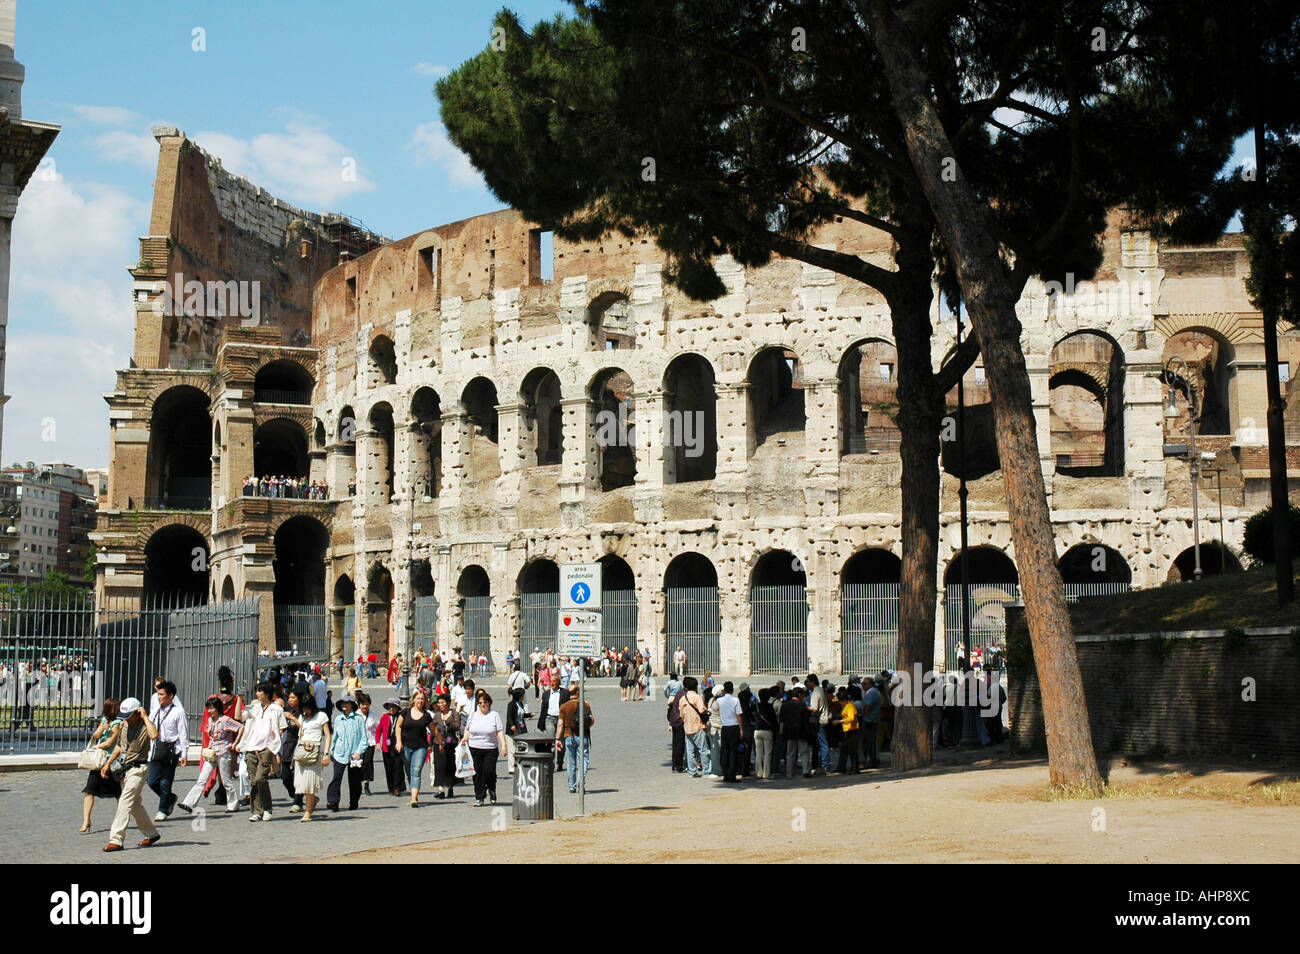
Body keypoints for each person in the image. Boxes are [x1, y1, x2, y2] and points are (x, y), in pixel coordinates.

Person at [100, 697, 162, 852]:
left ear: (138, 712)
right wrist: (108, 763)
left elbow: (154, 735)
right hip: (125, 769)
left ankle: (116, 839)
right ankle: (152, 833)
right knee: (135, 805)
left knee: (124, 801)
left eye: (130, 715)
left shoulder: (146, 725)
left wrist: (145, 717)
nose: (127, 718)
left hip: (139, 769)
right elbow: (120, 747)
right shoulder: (124, 725)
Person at [178, 697, 241, 814]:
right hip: (212, 753)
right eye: (209, 708)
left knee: (226, 780)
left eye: (212, 708)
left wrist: (235, 743)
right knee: (202, 779)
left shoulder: (225, 720)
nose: (210, 711)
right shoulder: (210, 721)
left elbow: (240, 727)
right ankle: (189, 803)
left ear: (217, 708)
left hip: (224, 753)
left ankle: (233, 804)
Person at [238, 681, 284, 822]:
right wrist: (240, 698)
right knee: (253, 781)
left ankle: (267, 808)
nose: (257, 694)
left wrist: (272, 748)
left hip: (266, 748)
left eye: (260, 691)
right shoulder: (255, 708)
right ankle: (257, 811)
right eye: (257, 691)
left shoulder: (277, 710)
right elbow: (239, 717)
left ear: (267, 693)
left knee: (260, 778)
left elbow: (281, 728)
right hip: (252, 747)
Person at [80, 699, 123, 833]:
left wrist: (96, 746)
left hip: (110, 760)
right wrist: (101, 728)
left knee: (118, 793)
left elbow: (111, 742)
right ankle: (86, 820)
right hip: (98, 761)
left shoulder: (118, 723)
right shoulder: (104, 720)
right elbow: (96, 736)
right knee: (89, 790)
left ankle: (121, 819)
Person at [147, 680, 188, 821]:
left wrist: (184, 753)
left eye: (162, 694)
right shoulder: (156, 710)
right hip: (156, 749)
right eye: (158, 694)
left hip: (171, 751)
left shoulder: (178, 712)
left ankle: (163, 810)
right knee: (151, 781)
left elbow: (183, 733)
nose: (159, 697)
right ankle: (169, 798)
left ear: (170, 696)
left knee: (165, 782)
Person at [290, 695, 331, 822]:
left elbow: (328, 736)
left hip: (314, 752)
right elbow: (300, 736)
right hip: (302, 751)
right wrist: (296, 757)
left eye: (308, 708)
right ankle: (312, 801)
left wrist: (326, 754)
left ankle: (308, 813)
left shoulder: (321, 716)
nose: (306, 711)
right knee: (300, 783)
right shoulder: (302, 717)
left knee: (310, 783)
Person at [460, 691, 506, 806]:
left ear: (489, 703)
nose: (482, 705)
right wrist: (465, 738)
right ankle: (479, 796)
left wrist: (504, 745)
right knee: (477, 773)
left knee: (489, 771)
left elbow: (499, 731)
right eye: (480, 703)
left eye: (484, 702)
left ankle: (491, 788)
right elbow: (468, 729)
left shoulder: (494, 715)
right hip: (475, 747)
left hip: (490, 748)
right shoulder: (473, 715)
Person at [327, 693, 369, 811]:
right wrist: (331, 752)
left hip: (353, 756)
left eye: (347, 703)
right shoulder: (338, 719)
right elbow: (335, 737)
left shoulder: (358, 719)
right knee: (336, 777)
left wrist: (358, 751)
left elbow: (364, 739)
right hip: (339, 753)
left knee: (354, 780)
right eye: (343, 703)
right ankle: (333, 801)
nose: (344, 705)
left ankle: (354, 802)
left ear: (351, 705)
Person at [394, 689, 434, 807]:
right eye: (418, 698)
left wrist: (439, 742)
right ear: (414, 700)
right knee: (409, 771)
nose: (420, 701)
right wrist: (398, 741)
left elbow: (434, 730)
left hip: (420, 747)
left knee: (416, 771)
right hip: (406, 746)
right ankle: (413, 789)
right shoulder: (405, 712)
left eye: (422, 699)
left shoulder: (426, 716)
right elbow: (398, 726)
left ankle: (414, 798)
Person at [678, 676, 712, 779]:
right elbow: (702, 710)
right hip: (698, 726)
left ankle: (692, 771)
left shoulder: (682, 699)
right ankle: (706, 771)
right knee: (703, 750)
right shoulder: (697, 697)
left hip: (687, 727)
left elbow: (681, 715)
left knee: (690, 751)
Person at [430, 694, 461, 799]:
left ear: (447, 703)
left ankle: (450, 788)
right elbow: (433, 730)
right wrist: (430, 744)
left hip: (451, 743)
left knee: (450, 766)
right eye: (439, 703)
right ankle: (441, 789)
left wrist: (448, 722)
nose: (440, 705)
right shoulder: (437, 715)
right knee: (439, 766)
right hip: (438, 744)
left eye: (442, 702)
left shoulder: (454, 714)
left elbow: (457, 726)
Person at [716, 681, 744, 783]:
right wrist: (741, 729)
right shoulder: (735, 700)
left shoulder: (719, 701)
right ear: (732, 689)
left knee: (725, 751)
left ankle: (725, 773)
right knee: (733, 752)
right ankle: (732, 774)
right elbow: (738, 715)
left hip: (725, 727)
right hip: (734, 726)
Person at [376, 697, 405, 796]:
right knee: (388, 768)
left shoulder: (401, 717)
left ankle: (397, 788)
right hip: (386, 746)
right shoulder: (384, 717)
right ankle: (391, 788)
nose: (392, 709)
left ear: (397, 708)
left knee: (397, 767)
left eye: (394, 707)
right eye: (390, 707)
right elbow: (378, 730)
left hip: (397, 744)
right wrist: (377, 742)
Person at [781, 686, 812, 779]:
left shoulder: (785, 705)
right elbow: (806, 718)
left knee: (790, 754)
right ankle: (806, 771)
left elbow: (782, 719)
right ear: (799, 695)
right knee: (804, 752)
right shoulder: (802, 705)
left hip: (789, 732)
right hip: (801, 731)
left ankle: (789, 773)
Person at [833, 687, 861, 775]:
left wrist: (840, 721)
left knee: (852, 751)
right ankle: (842, 767)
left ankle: (855, 768)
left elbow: (851, 718)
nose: (840, 703)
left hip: (851, 730)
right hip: (847, 730)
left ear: (844, 700)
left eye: (841, 701)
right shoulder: (847, 706)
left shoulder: (850, 706)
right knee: (844, 750)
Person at [753, 688, 778, 779]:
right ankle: (766, 773)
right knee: (767, 753)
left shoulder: (756, 706)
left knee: (758, 752)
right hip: (767, 731)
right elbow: (774, 719)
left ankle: (758, 772)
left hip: (757, 730)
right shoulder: (770, 706)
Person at [505, 687, 530, 775]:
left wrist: (529, 715)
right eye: (522, 695)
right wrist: (512, 725)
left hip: (520, 728)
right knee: (512, 748)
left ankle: (519, 764)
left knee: (520, 746)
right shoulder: (511, 704)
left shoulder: (520, 704)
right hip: (512, 729)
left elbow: (521, 715)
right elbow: (509, 716)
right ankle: (511, 767)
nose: (523, 697)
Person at [665, 674, 686, 773]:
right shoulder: (682, 692)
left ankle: (675, 763)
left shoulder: (670, 684)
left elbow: (665, 690)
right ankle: (679, 764)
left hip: (674, 719)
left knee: (675, 743)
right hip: (681, 721)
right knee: (681, 744)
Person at [862, 678, 882, 768]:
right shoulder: (870, 693)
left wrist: (862, 712)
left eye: (865, 683)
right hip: (870, 719)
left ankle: (872, 761)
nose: (863, 685)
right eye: (862, 683)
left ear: (870, 684)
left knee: (870, 742)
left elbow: (866, 706)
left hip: (870, 720)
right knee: (869, 742)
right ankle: (871, 760)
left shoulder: (872, 693)